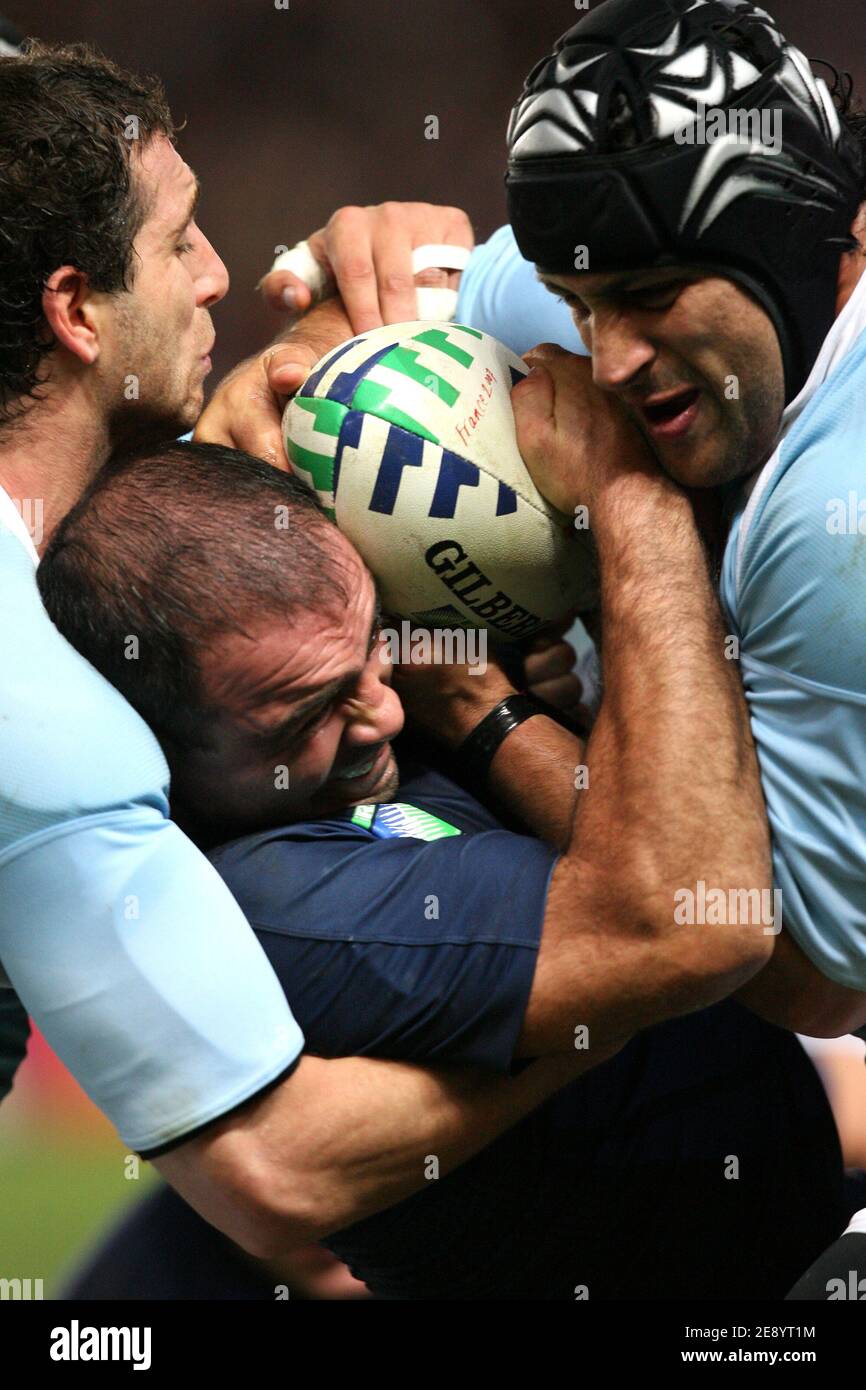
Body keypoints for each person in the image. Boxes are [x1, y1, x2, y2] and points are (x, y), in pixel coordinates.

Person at [0, 39, 594, 1261]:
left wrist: (421, 271)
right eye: (177, 242)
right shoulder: (42, 713)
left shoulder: (87, 543)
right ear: (71, 309)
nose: (223, 273)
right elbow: (275, 1173)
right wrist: (643, 993)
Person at [38, 437, 845, 1299]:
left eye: (374, 647)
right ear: (163, 743)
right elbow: (695, 925)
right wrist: (624, 508)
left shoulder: (342, 740)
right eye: (307, 714)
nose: (383, 711)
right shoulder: (277, 905)